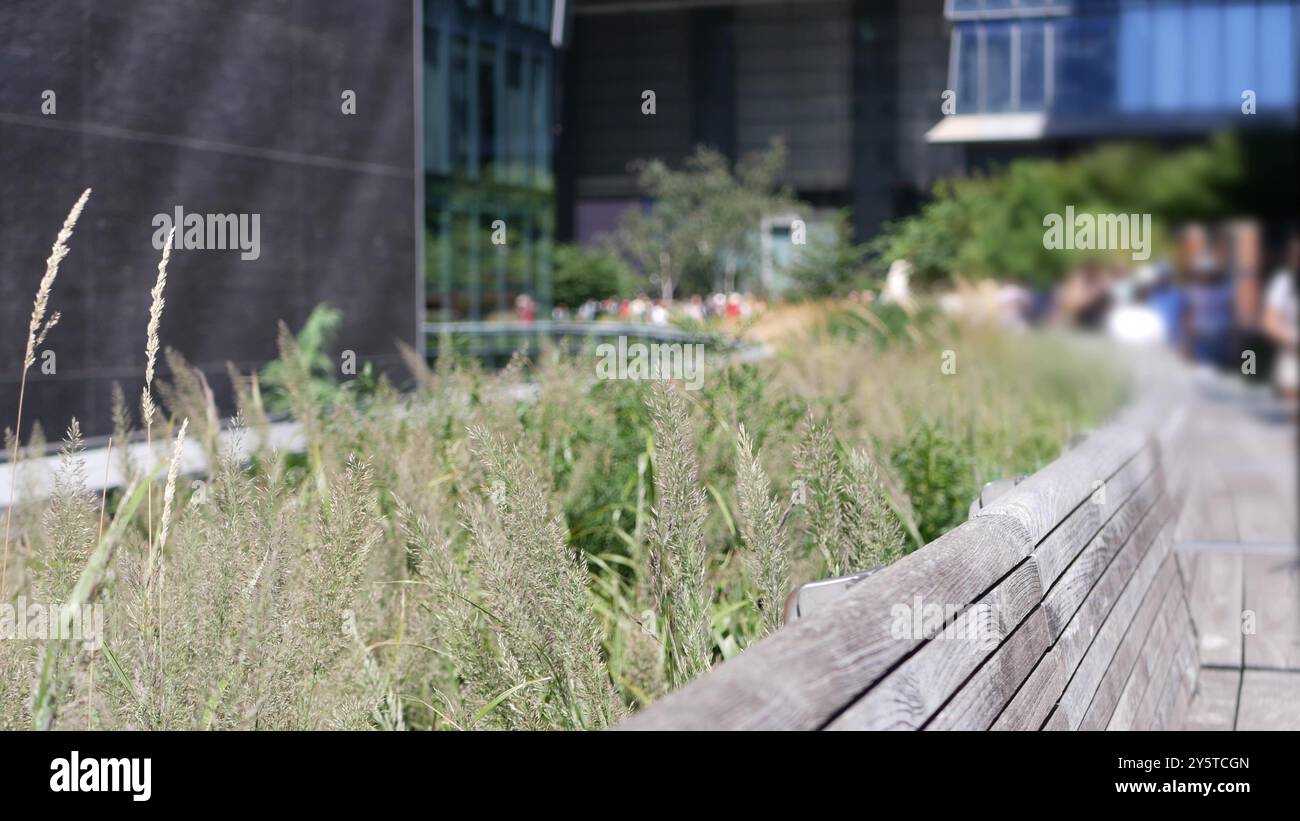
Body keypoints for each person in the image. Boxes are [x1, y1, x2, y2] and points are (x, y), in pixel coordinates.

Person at [1263, 236, 1299, 405]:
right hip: (1292, 348)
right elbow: (1269, 322)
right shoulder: (1283, 283)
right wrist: (1291, 339)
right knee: (1290, 392)